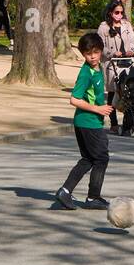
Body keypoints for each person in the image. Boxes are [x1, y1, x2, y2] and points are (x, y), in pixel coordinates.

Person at [54, 32, 112, 211]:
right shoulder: (86, 73)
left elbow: (96, 94)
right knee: (101, 158)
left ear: (101, 50)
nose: (92, 56)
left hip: (89, 121)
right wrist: (98, 109)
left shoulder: (98, 68)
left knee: (88, 159)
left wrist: (106, 105)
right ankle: (92, 197)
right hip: (88, 122)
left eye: (95, 52)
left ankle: (65, 191)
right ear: (83, 54)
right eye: (88, 53)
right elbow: (74, 99)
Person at [99, 0, 134, 134]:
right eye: (117, 12)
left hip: (127, 62)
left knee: (129, 91)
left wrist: (132, 50)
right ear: (111, 13)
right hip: (112, 63)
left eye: (121, 12)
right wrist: (112, 53)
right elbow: (100, 47)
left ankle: (128, 121)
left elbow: (133, 41)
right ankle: (114, 123)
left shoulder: (126, 25)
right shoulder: (103, 27)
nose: (119, 15)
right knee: (113, 92)